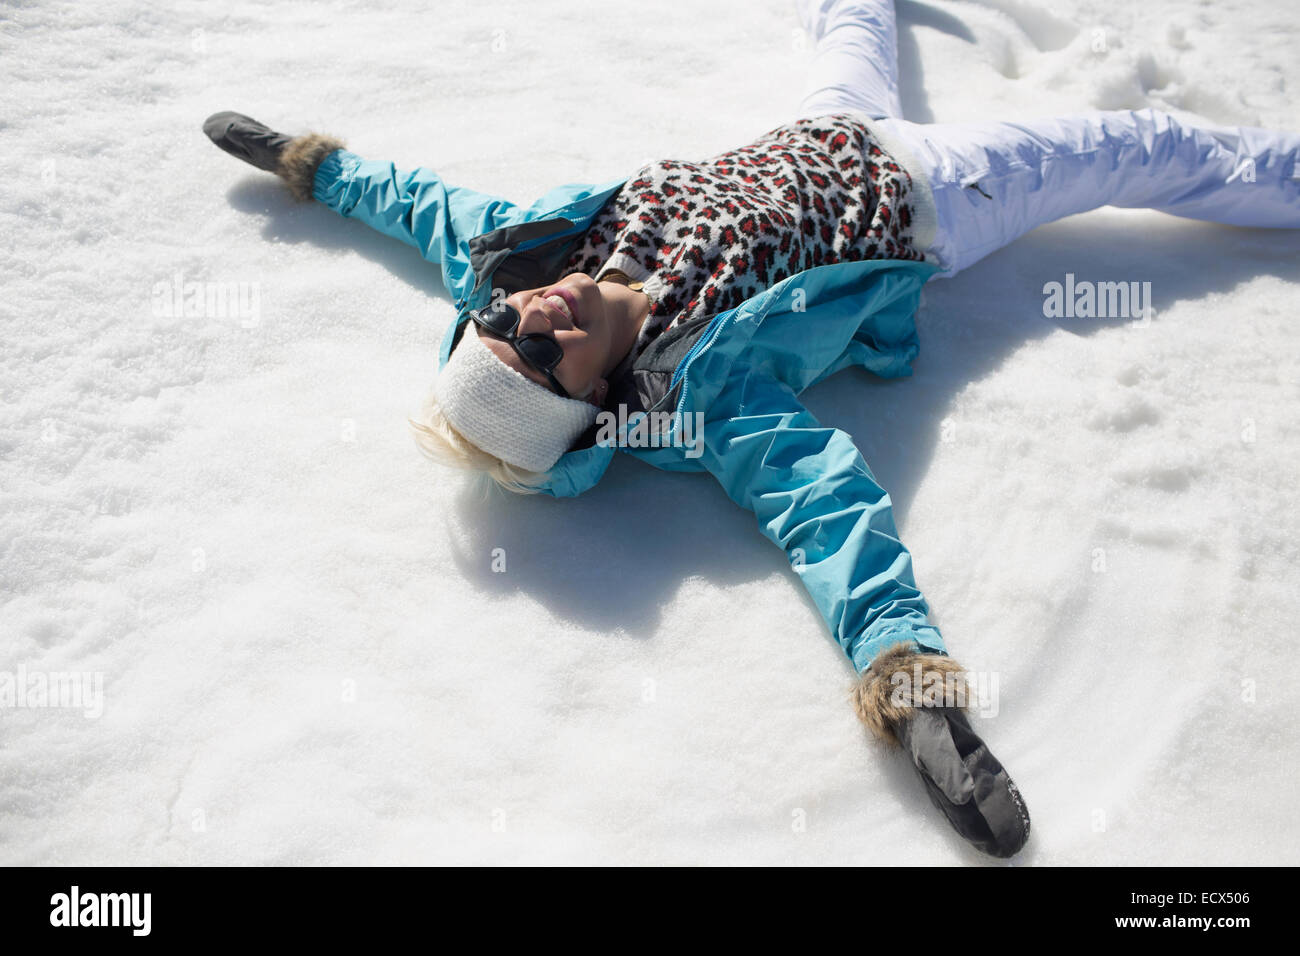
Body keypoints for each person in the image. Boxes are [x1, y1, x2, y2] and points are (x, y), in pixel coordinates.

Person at [202, 0, 1300, 858]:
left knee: (853, 25)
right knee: (1137, 144)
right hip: (935, 194)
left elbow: (424, 206)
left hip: (822, 130)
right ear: (590, 397)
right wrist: (909, 684)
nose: (530, 319)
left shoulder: (527, 254)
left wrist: (311, 162)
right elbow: (823, 509)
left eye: (498, 326)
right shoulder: (707, 402)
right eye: (538, 356)